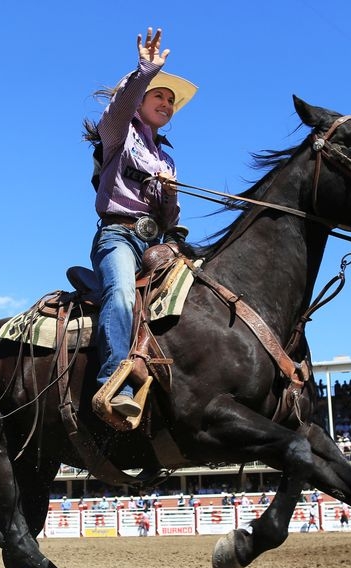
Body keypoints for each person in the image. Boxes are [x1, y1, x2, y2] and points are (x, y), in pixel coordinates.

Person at [84, 27, 197, 421]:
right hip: (117, 236)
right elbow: (122, 104)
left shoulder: (167, 161)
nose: (167, 103)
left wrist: (168, 195)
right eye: (159, 96)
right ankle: (114, 385)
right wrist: (146, 70)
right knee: (121, 296)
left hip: (155, 244)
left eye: (171, 100)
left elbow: (172, 220)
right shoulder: (118, 132)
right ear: (140, 101)